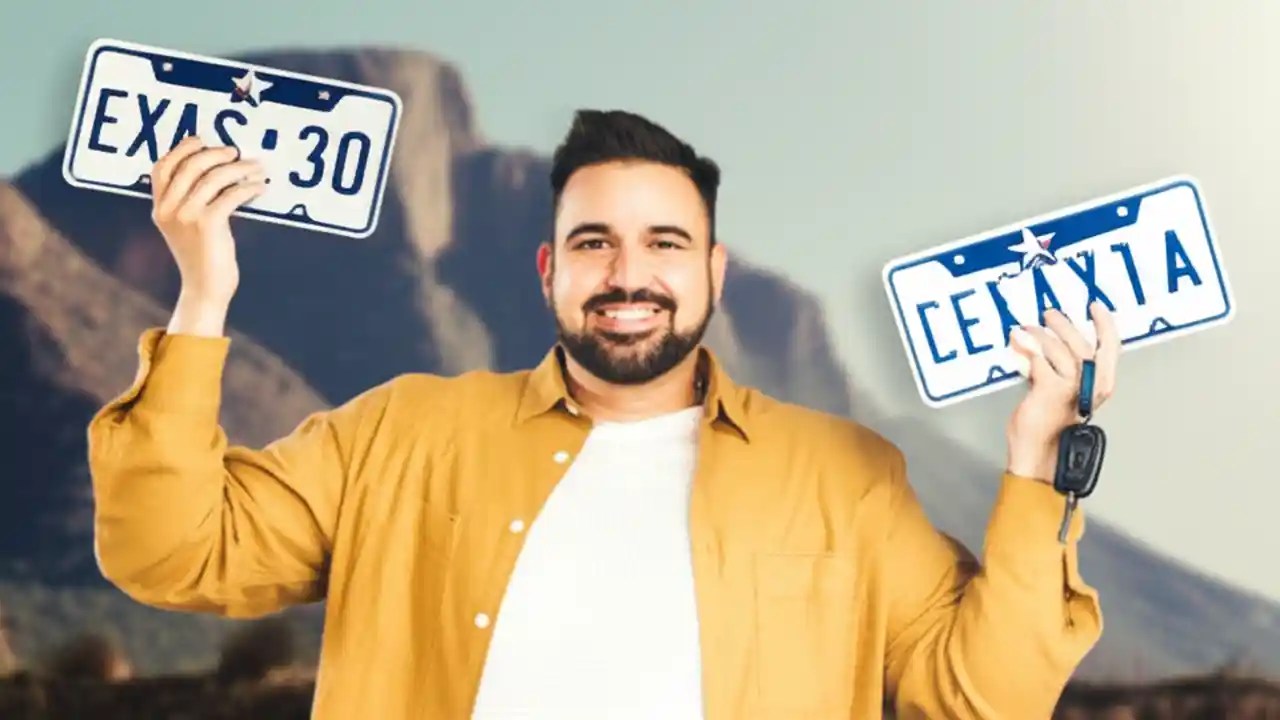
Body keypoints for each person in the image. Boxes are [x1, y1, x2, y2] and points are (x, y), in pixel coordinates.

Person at [87, 109, 1116, 719]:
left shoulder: (844, 474)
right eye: (594, 243)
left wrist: (1036, 459)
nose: (629, 274)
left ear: (713, 272)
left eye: (665, 243)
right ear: (549, 270)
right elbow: (170, 553)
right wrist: (203, 295)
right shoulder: (399, 433)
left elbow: (981, 698)